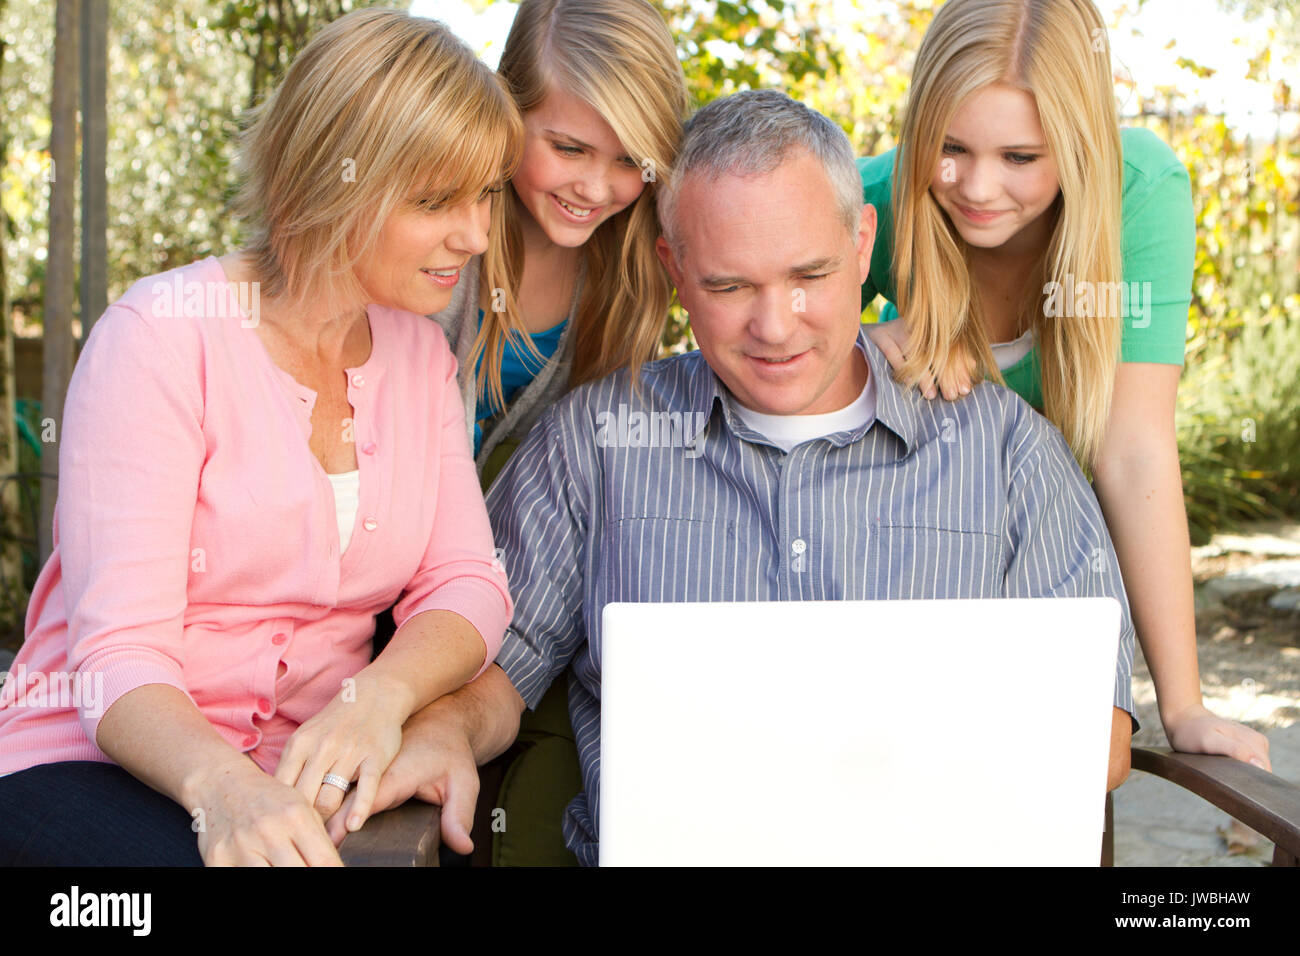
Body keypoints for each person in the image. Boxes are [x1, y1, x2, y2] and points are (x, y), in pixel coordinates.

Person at [331, 90, 1138, 866]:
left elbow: (1096, 741)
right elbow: (492, 670)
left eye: (809, 277)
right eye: (728, 286)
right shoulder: (596, 441)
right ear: (673, 268)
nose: (775, 326)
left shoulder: (1004, 453)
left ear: (862, 245)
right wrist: (442, 729)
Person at [0, 9, 518, 866]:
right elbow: (118, 658)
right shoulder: (160, 338)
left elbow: (467, 584)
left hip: (285, 780)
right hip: (96, 768)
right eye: (436, 201)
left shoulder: (421, 358)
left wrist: (378, 696)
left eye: (486, 193)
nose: (475, 233)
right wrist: (222, 788)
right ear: (333, 182)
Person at [858, 0, 1269, 768]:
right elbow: (762, 340)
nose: (979, 187)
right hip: (898, 556)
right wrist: (861, 346)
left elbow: (1134, 451)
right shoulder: (872, 200)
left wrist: (1183, 706)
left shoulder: (1139, 193)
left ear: (1077, 144)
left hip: (1042, 561)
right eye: (950, 148)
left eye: (1020, 158)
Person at [429, 0, 688, 485]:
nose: (593, 188)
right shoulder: (440, 237)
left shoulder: (621, 275)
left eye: (629, 161)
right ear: (508, 110)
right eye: (569, 149)